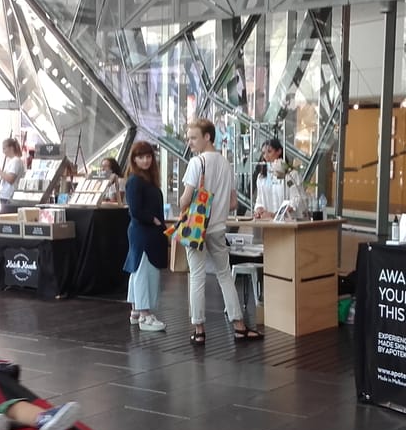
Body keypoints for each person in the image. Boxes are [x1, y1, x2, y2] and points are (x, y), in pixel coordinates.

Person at [181, 118, 262, 345]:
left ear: (208, 136)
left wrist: (185, 201)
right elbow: (234, 203)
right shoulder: (227, 165)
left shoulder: (197, 163)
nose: (190, 142)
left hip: (197, 229)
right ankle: (238, 326)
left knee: (196, 276)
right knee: (225, 275)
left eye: (194, 137)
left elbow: (185, 200)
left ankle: (199, 329)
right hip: (218, 228)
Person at [123, 142, 168, 332]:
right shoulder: (135, 181)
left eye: (148, 156)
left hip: (144, 231)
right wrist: (154, 220)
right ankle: (144, 314)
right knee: (144, 272)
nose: (146, 160)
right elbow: (135, 211)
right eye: (141, 157)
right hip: (144, 232)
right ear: (134, 159)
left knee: (138, 270)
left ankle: (136, 311)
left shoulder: (146, 180)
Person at [253, 138, 305, 219]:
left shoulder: (290, 176)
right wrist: (259, 209)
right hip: (267, 224)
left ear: (279, 151)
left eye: (269, 152)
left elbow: (296, 198)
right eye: (263, 153)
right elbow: (259, 199)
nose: (266, 156)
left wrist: (277, 214)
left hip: (288, 223)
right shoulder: (261, 177)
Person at [0, 137, 25, 207]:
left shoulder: (16, 161)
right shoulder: (11, 161)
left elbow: (10, 179)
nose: (3, 151)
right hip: (6, 195)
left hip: (10, 196)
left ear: (11, 148)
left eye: (4, 148)